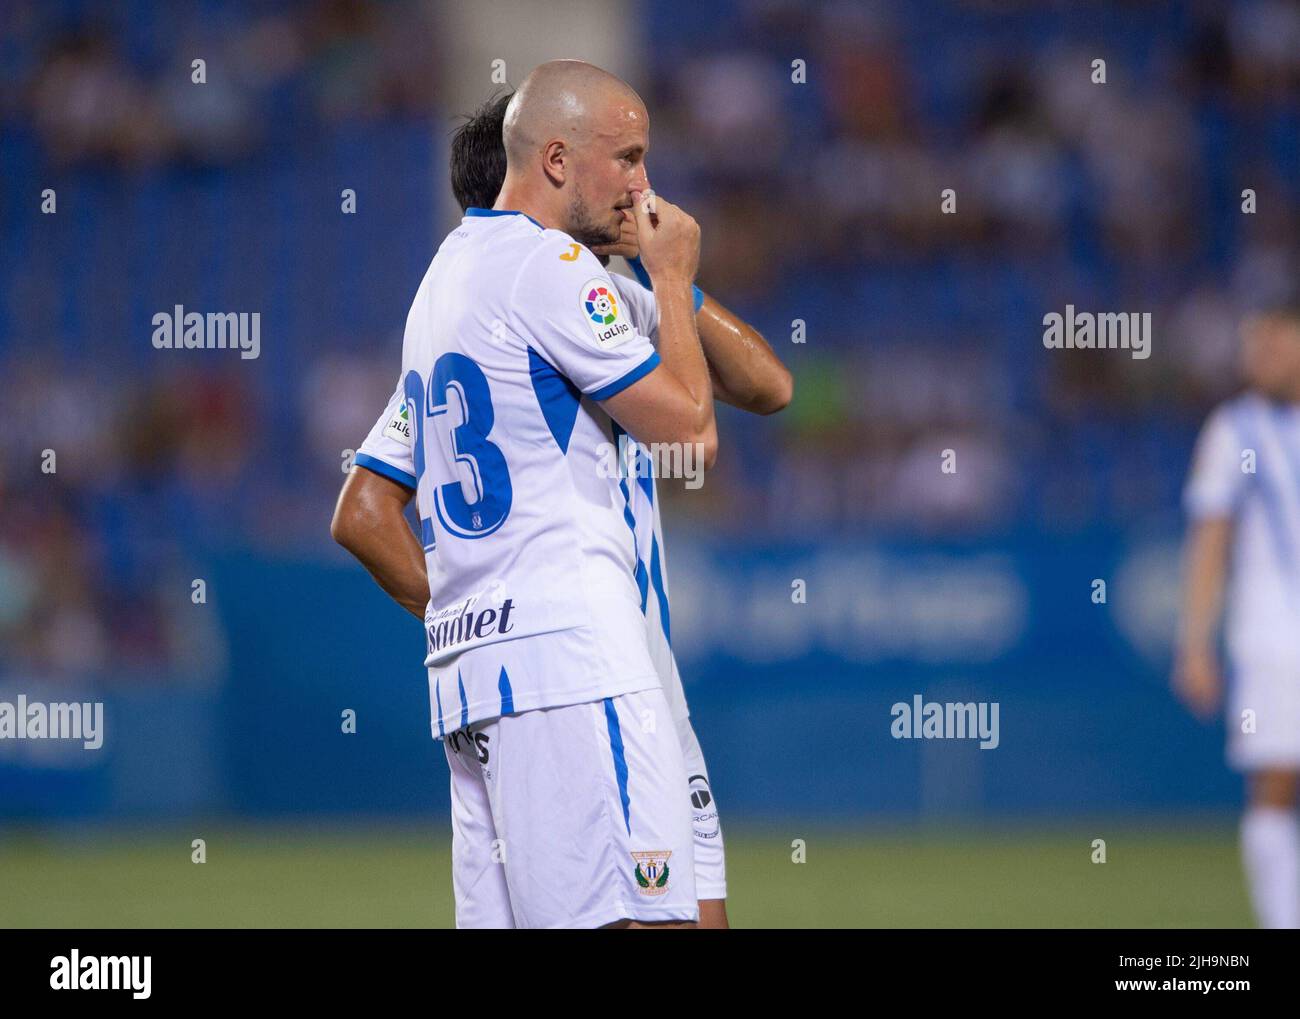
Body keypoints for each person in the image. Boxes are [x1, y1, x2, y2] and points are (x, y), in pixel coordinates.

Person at [336, 89, 791, 929]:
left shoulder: (445, 290)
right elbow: (692, 432)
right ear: (551, 160)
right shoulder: (558, 277)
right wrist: (673, 271)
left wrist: (471, 608)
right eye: (625, 159)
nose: (643, 185)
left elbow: (771, 383)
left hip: (492, 677)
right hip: (579, 662)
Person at [1175, 300, 1300, 929]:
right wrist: (1194, 641)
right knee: (1275, 782)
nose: (1263, 359)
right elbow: (1210, 540)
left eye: (1277, 343)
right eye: (1256, 347)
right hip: (1273, 638)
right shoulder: (1233, 431)